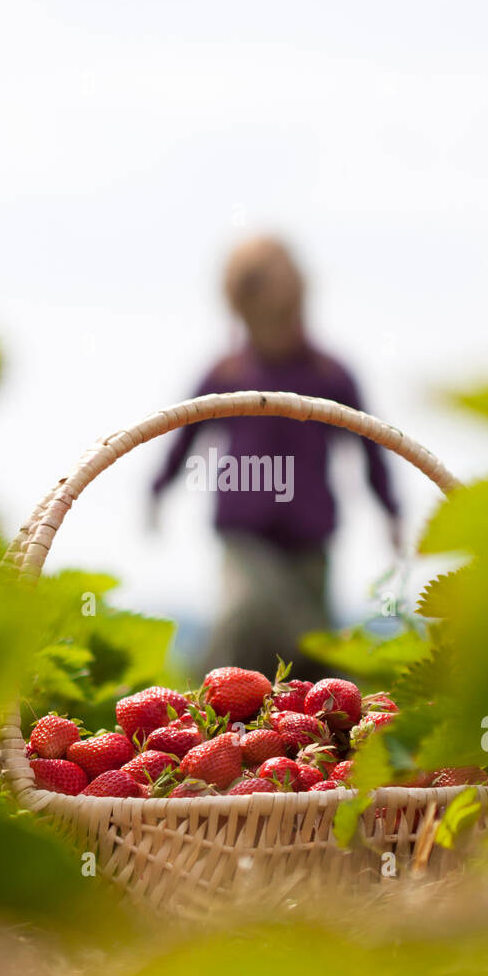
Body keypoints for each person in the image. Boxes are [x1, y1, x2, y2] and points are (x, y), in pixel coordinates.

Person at [150, 236, 402, 677]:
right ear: (241, 307)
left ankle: (314, 736)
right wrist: (158, 490)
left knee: (308, 647)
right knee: (248, 615)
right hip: (245, 533)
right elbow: (181, 433)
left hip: (310, 538)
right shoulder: (227, 374)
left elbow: (371, 445)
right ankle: (206, 709)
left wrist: (391, 511)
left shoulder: (329, 375)